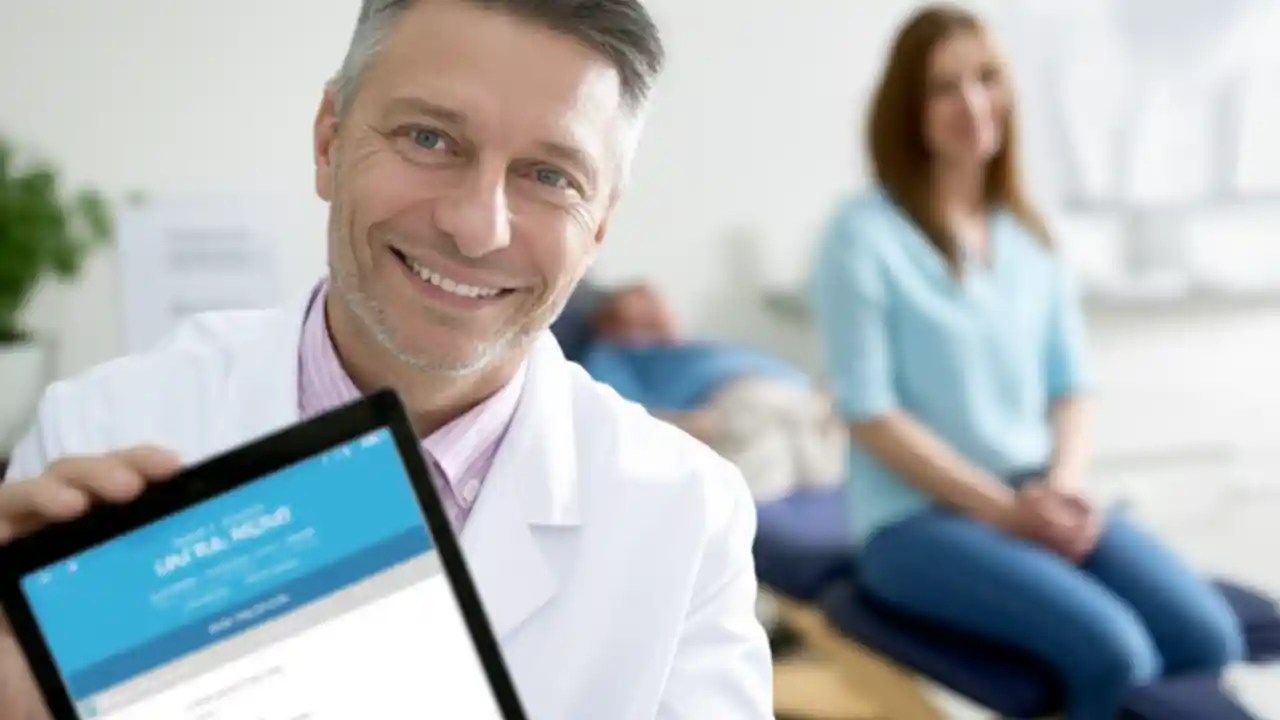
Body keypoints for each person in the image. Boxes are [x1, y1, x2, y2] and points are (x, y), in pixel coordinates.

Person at [0, 1, 773, 718]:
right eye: (429, 139)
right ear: (330, 140)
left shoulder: (688, 516)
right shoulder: (101, 426)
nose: (477, 228)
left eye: (550, 177)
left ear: (599, 224)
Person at [809, 6, 1244, 718]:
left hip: (1040, 495)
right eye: (944, 87)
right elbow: (868, 411)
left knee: (1209, 636)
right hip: (915, 525)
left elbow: (1074, 387)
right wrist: (1006, 512)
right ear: (908, 110)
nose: (973, 104)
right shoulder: (862, 236)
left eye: (987, 79)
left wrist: (1063, 492)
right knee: (1114, 653)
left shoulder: (1029, 236)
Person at [553, 280, 845, 502]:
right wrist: (687, 425)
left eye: (657, 303)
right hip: (742, 407)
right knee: (779, 459)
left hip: (788, 399)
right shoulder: (611, 357)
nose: (658, 313)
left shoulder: (693, 348)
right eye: (642, 310)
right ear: (611, 324)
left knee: (782, 456)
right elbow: (615, 414)